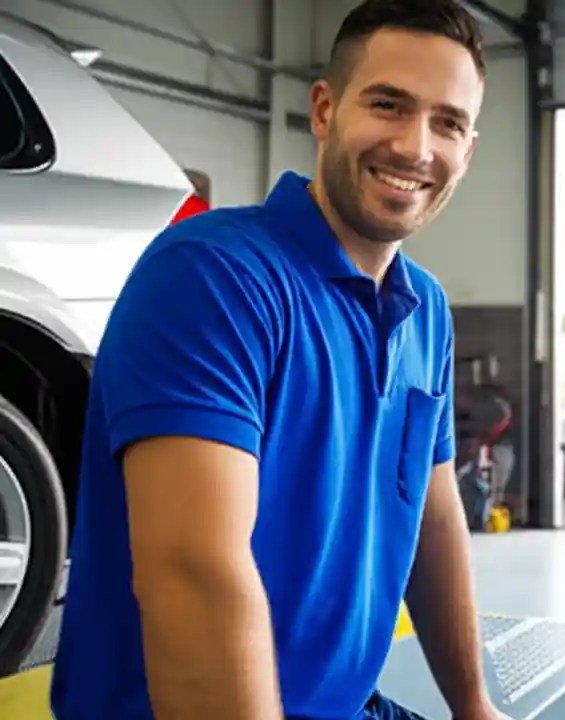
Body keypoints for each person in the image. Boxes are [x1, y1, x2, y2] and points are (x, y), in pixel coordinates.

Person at [48, 2, 510, 719]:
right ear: (324, 109)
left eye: (447, 122)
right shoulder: (213, 276)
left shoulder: (427, 311)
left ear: (468, 149)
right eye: (388, 104)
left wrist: (475, 706)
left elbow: (434, 519)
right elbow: (195, 574)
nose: (416, 146)